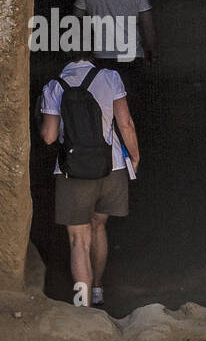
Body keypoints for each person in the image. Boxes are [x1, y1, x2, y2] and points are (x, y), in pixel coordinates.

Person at [38, 55, 140, 309]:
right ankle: (97, 289)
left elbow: (49, 137)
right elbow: (126, 123)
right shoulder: (110, 78)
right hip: (111, 167)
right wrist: (135, 157)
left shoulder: (54, 86)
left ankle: (83, 308)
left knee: (79, 240)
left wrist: (39, 117)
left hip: (72, 172)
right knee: (98, 228)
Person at [74, 0, 157, 108]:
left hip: (100, 57)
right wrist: (151, 53)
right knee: (129, 110)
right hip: (131, 57)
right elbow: (148, 26)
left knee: (103, 109)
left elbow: (76, 22)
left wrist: (81, 54)